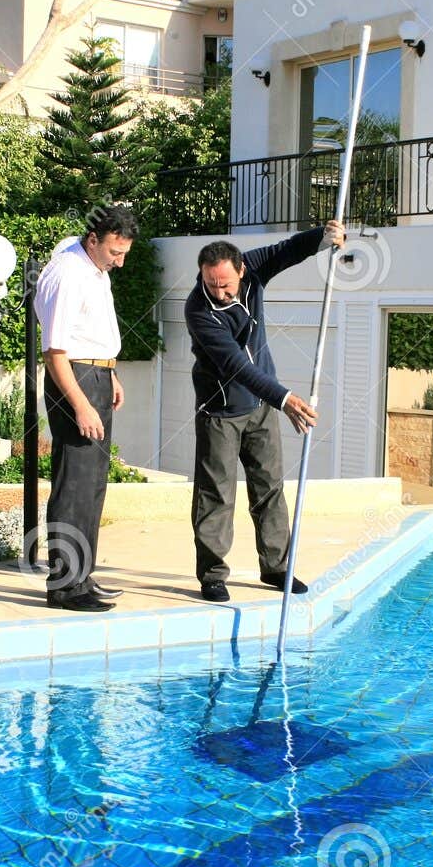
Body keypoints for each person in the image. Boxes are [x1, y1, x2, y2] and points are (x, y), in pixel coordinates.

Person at [184, 219, 346, 602]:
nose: (219, 292)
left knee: (269, 489)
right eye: (211, 284)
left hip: (260, 410)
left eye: (225, 284)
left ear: (240, 270)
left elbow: (287, 250)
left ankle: (276, 568)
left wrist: (323, 238)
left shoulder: (252, 270)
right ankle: (212, 575)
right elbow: (237, 366)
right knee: (216, 494)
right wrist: (285, 399)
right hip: (220, 413)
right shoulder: (199, 311)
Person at [32, 204, 136, 612]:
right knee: (73, 482)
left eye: (124, 253)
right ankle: (64, 587)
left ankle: (81, 576)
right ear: (93, 239)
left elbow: (90, 335)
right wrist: (80, 404)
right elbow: (55, 350)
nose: (120, 262)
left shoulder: (93, 269)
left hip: (94, 377)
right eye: (115, 252)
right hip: (72, 381)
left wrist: (109, 373)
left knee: (92, 484)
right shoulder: (67, 274)